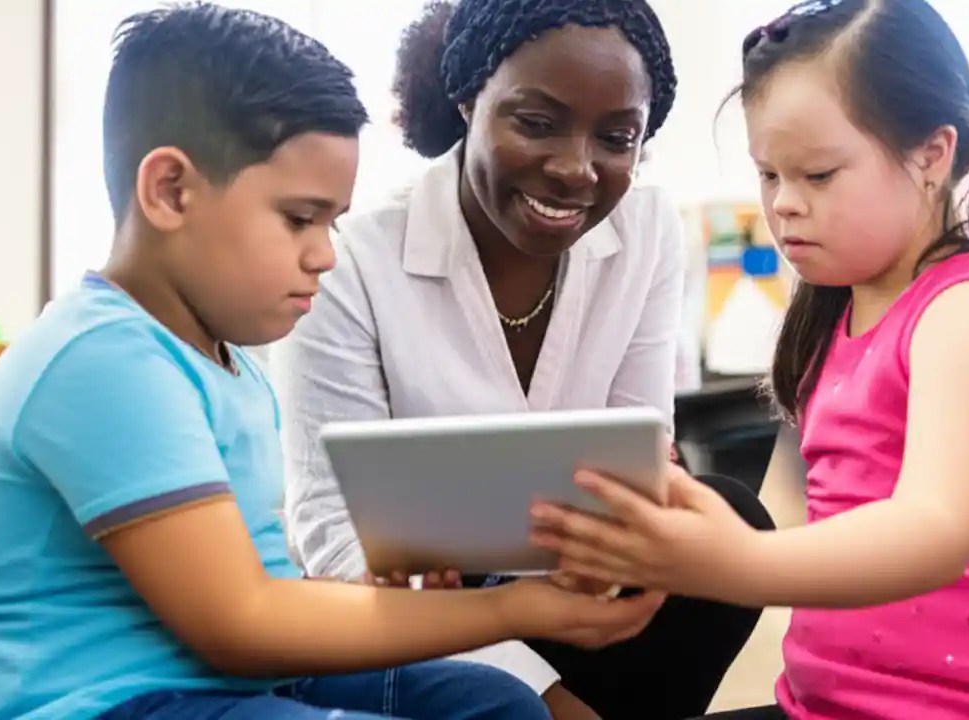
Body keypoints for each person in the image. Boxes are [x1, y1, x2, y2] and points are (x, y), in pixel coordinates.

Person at [0, 5, 667, 719]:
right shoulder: (100, 357)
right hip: (88, 702)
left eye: (333, 222)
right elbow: (238, 621)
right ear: (171, 190)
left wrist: (391, 590)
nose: (326, 255)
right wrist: (511, 607)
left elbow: (268, 591)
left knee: (493, 703)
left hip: (208, 682)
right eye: (300, 219)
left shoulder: (224, 362)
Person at [529, 1, 969, 718]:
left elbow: (933, 530)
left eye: (817, 175)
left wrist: (729, 560)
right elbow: (826, 528)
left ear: (932, 155)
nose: (784, 205)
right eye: (769, 175)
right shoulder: (840, 312)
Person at [276, 1, 771, 718]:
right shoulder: (352, 258)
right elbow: (330, 531)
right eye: (536, 123)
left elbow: (641, 452)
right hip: (421, 609)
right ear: (468, 98)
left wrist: (598, 566)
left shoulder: (647, 229)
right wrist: (534, 683)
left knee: (732, 521)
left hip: (580, 578)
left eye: (617, 137)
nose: (577, 170)